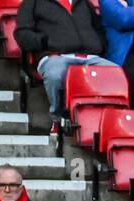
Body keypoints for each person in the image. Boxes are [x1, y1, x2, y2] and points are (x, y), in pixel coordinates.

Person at [14, 0, 114, 128]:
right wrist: (45, 42)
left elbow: (98, 30)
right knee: (55, 75)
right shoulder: (32, 2)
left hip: (90, 57)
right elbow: (21, 33)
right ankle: (58, 119)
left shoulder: (84, 3)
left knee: (116, 73)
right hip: (56, 56)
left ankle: (107, 122)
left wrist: (98, 44)